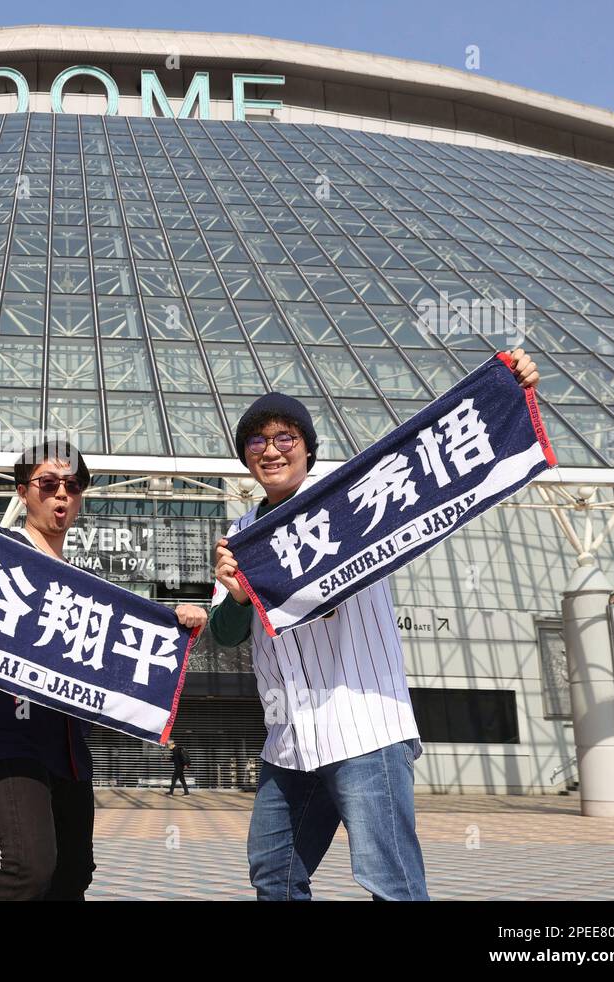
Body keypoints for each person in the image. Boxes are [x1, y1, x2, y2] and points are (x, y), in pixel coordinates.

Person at [212, 349, 540, 901]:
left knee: (390, 883)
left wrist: (511, 387)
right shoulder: (239, 534)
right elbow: (224, 633)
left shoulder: (356, 502)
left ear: (308, 450)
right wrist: (238, 597)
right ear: (246, 457)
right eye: (257, 442)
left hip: (364, 730)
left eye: (285, 438)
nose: (271, 450)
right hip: (290, 740)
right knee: (274, 872)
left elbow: (435, 457)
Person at [0, 441, 208, 900]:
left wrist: (176, 619)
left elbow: (119, 639)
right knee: (29, 868)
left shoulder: (81, 585)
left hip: (69, 750)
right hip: (9, 737)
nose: (60, 495)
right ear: (22, 492)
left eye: (72, 487)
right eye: (48, 484)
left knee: (73, 873)